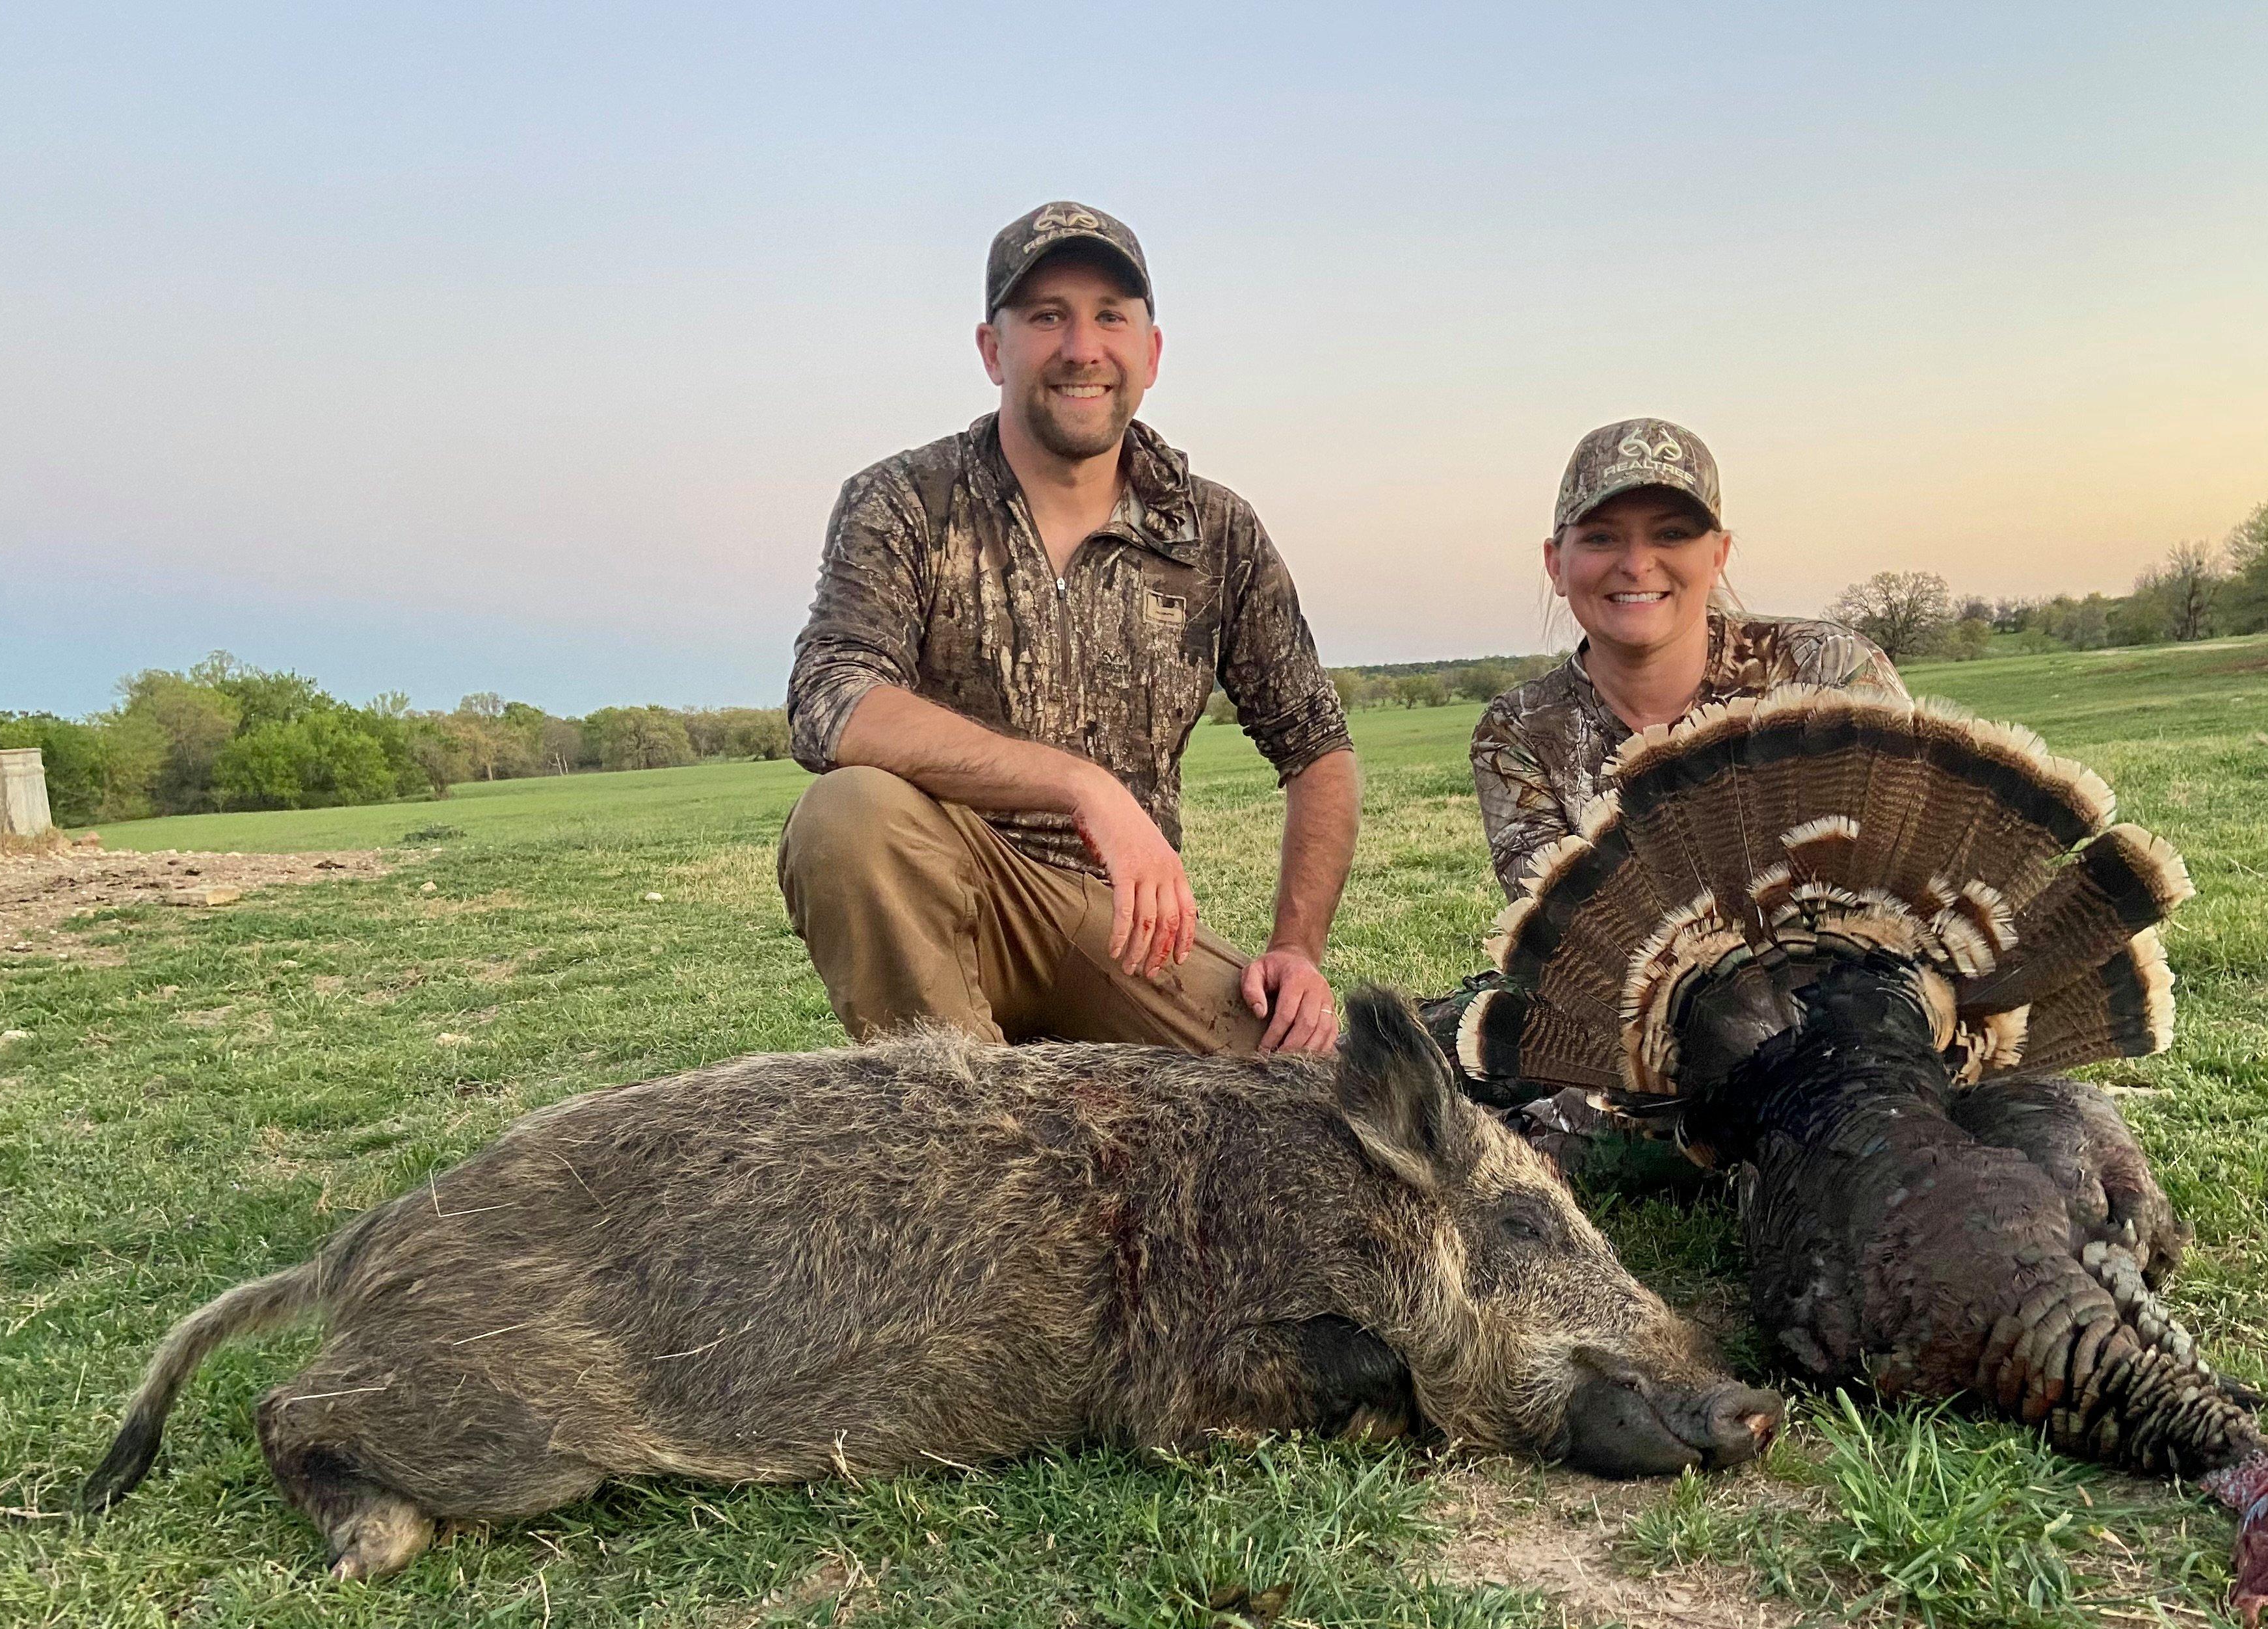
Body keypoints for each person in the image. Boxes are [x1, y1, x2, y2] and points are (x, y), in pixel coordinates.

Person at [779, 201, 1358, 1057]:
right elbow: (831, 699)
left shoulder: (1217, 531)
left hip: (1126, 935)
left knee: (1318, 1087)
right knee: (845, 815)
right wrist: (1084, 787)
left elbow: (1320, 752)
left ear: (1151, 354)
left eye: (1110, 318)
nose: (1082, 349)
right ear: (992, 349)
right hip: (956, 896)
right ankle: (963, 1139)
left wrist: (1297, 950)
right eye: (1047, 316)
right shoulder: (902, 503)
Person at [1434, 417, 1907, 1163]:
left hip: (1837, 1007)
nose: (1636, 563)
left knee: (1536, 1146)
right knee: (1435, 1051)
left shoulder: (1827, 669)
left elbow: (1901, 888)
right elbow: (1583, 959)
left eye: (1671, 533)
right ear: (1556, 563)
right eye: (1600, 538)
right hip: (1647, 1020)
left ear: (1718, 555)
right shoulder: (1520, 731)